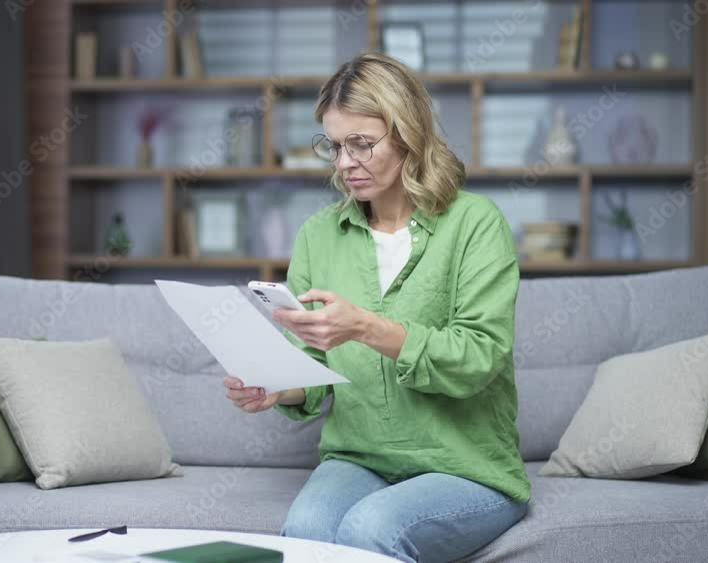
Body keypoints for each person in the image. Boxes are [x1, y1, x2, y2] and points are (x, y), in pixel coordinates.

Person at [223, 52, 529, 563]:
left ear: (408, 134)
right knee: (304, 531)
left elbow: (479, 356)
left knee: (371, 529)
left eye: (362, 144)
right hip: (359, 458)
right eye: (335, 146)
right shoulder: (319, 235)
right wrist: (276, 386)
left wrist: (364, 327)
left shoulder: (476, 223)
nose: (344, 163)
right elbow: (313, 365)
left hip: (465, 466)